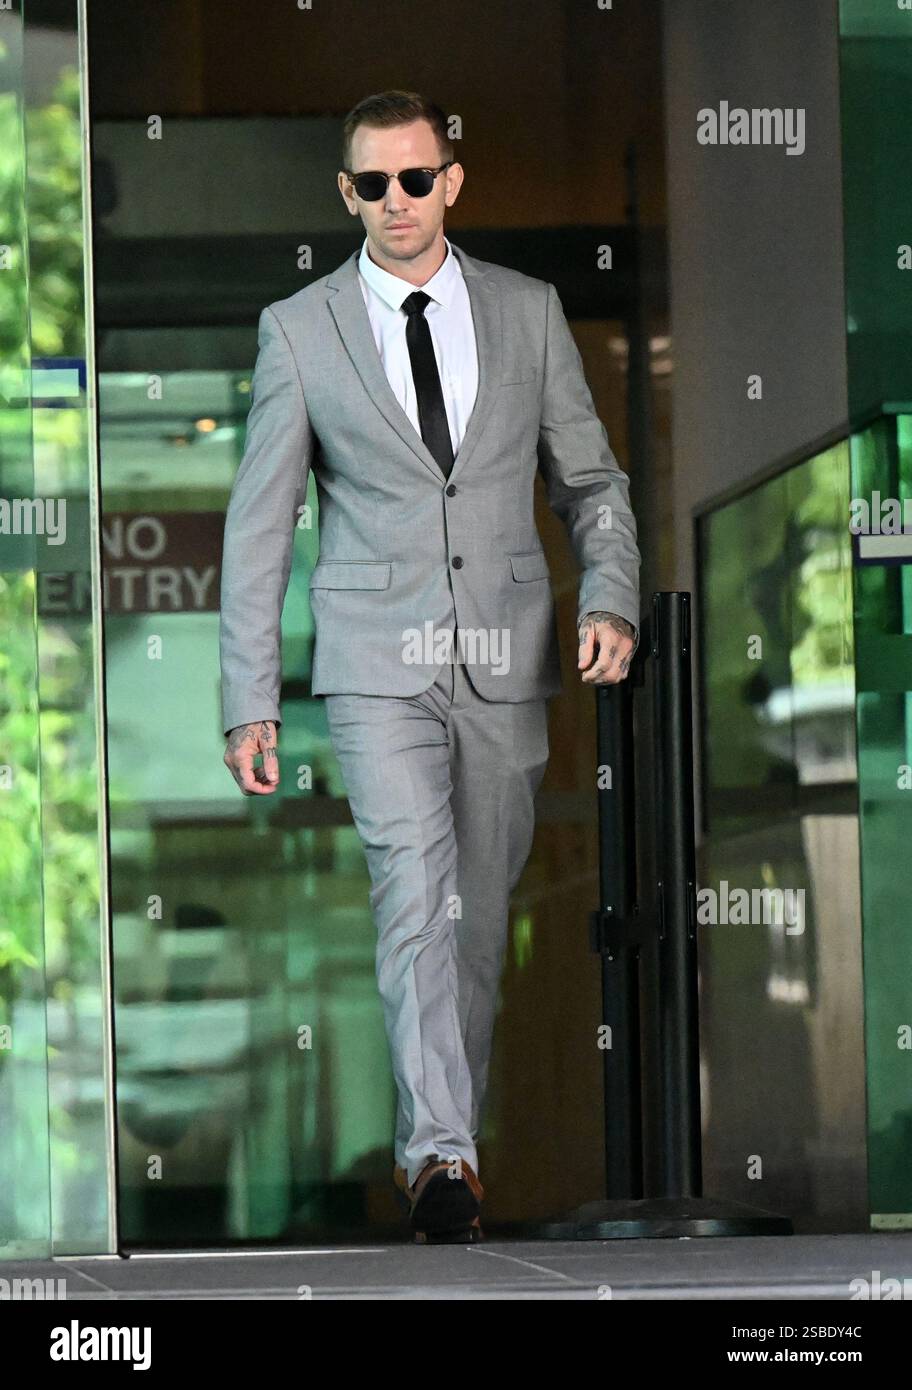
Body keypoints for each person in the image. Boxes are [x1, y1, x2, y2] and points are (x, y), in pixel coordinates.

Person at [219, 89, 641, 1243]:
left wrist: (609, 595)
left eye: (416, 179)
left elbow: (592, 486)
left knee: (473, 913)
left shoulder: (530, 310)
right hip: (374, 663)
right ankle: (441, 1156)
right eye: (372, 184)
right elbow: (260, 525)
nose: (396, 202)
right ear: (345, 194)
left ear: (453, 180)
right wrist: (248, 699)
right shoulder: (299, 330)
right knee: (411, 886)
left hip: (504, 655)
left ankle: (445, 1139)